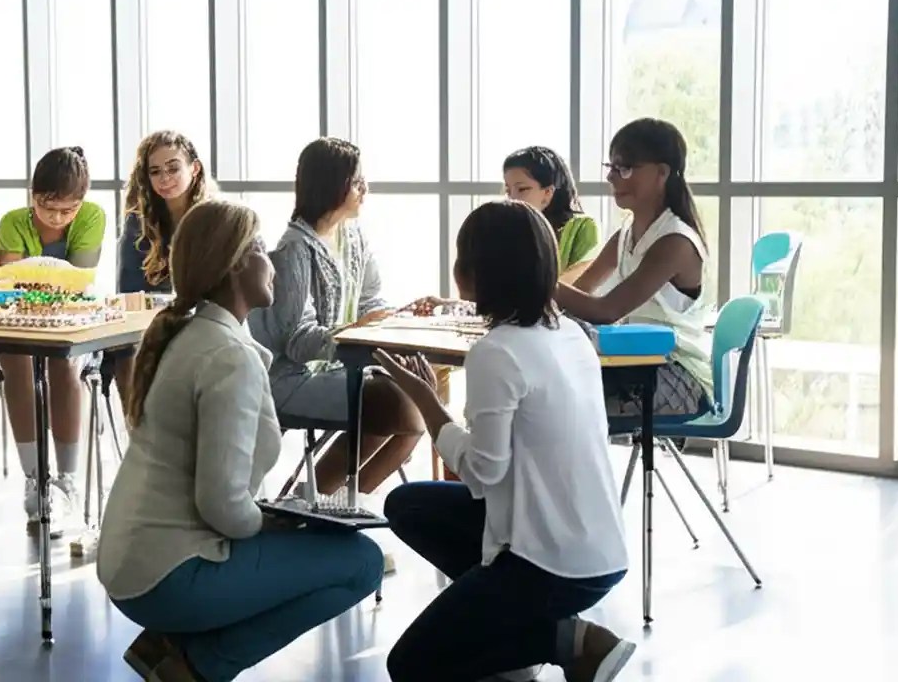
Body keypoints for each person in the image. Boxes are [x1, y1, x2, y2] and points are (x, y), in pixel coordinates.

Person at [98, 201, 383, 682]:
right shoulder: (229, 355)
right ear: (235, 264)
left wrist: (269, 519)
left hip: (133, 562)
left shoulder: (186, 335)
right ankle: (198, 665)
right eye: (260, 250)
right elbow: (221, 504)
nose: (271, 262)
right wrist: (269, 524)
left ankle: (170, 643)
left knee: (316, 545)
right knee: (361, 561)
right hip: (170, 576)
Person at [375, 199, 634, 682]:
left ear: (476, 271)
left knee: (409, 664)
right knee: (408, 505)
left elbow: (481, 474)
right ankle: (514, 630)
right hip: (600, 549)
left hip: (551, 563)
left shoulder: (497, 352)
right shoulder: (572, 333)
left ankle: (568, 640)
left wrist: (427, 402)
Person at [250, 137, 424, 497]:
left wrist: (387, 320)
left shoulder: (353, 235)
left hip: (344, 367)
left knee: (418, 400)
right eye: (357, 182)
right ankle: (311, 500)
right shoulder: (294, 249)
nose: (365, 189)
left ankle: (330, 501)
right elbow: (297, 342)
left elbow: (370, 299)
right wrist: (358, 334)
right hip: (294, 377)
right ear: (333, 184)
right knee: (404, 408)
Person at [555, 118, 712, 418]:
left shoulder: (675, 241)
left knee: (556, 405)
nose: (612, 178)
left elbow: (606, 310)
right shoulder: (626, 233)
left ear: (662, 173)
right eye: (611, 168)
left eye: (624, 168)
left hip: (675, 375)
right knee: (547, 391)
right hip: (634, 363)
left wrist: (539, 280)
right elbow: (582, 290)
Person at [0, 146, 105, 531]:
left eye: (67, 211)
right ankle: (35, 479)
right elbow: (8, 284)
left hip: (73, 322)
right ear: (32, 195)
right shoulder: (11, 222)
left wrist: (34, 278)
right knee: (14, 359)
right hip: (22, 325)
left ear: (81, 204)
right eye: (48, 207)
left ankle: (67, 479)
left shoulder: (92, 217)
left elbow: (79, 280)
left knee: (64, 360)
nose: (57, 217)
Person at [110, 130, 218, 414]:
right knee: (127, 350)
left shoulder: (215, 217)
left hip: (204, 321)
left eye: (173, 168)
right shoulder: (138, 223)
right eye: (155, 171)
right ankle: (142, 438)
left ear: (194, 169)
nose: (165, 178)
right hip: (151, 323)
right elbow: (130, 292)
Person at [503, 146, 598, 282]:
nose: (512, 198)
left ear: (548, 192)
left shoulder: (582, 227)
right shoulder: (506, 230)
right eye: (508, 191)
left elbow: (578, 282)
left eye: (522, 189)